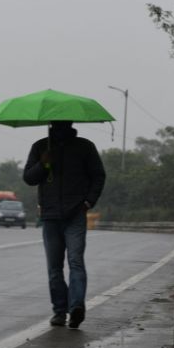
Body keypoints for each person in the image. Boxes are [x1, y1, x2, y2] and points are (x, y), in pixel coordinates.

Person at [22, 121, 106, 329]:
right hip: (50, 216)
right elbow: (29, 178)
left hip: (75, 214)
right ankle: (60, 311)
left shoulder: (84, 147)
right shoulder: (41, 146)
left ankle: (76, 307)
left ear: (69, 123)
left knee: (76, 261)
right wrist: (43, 163)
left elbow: (98, 175)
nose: (59, 126)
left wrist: (88, 201)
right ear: (51, 124)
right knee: (54, 268)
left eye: (63, 123)